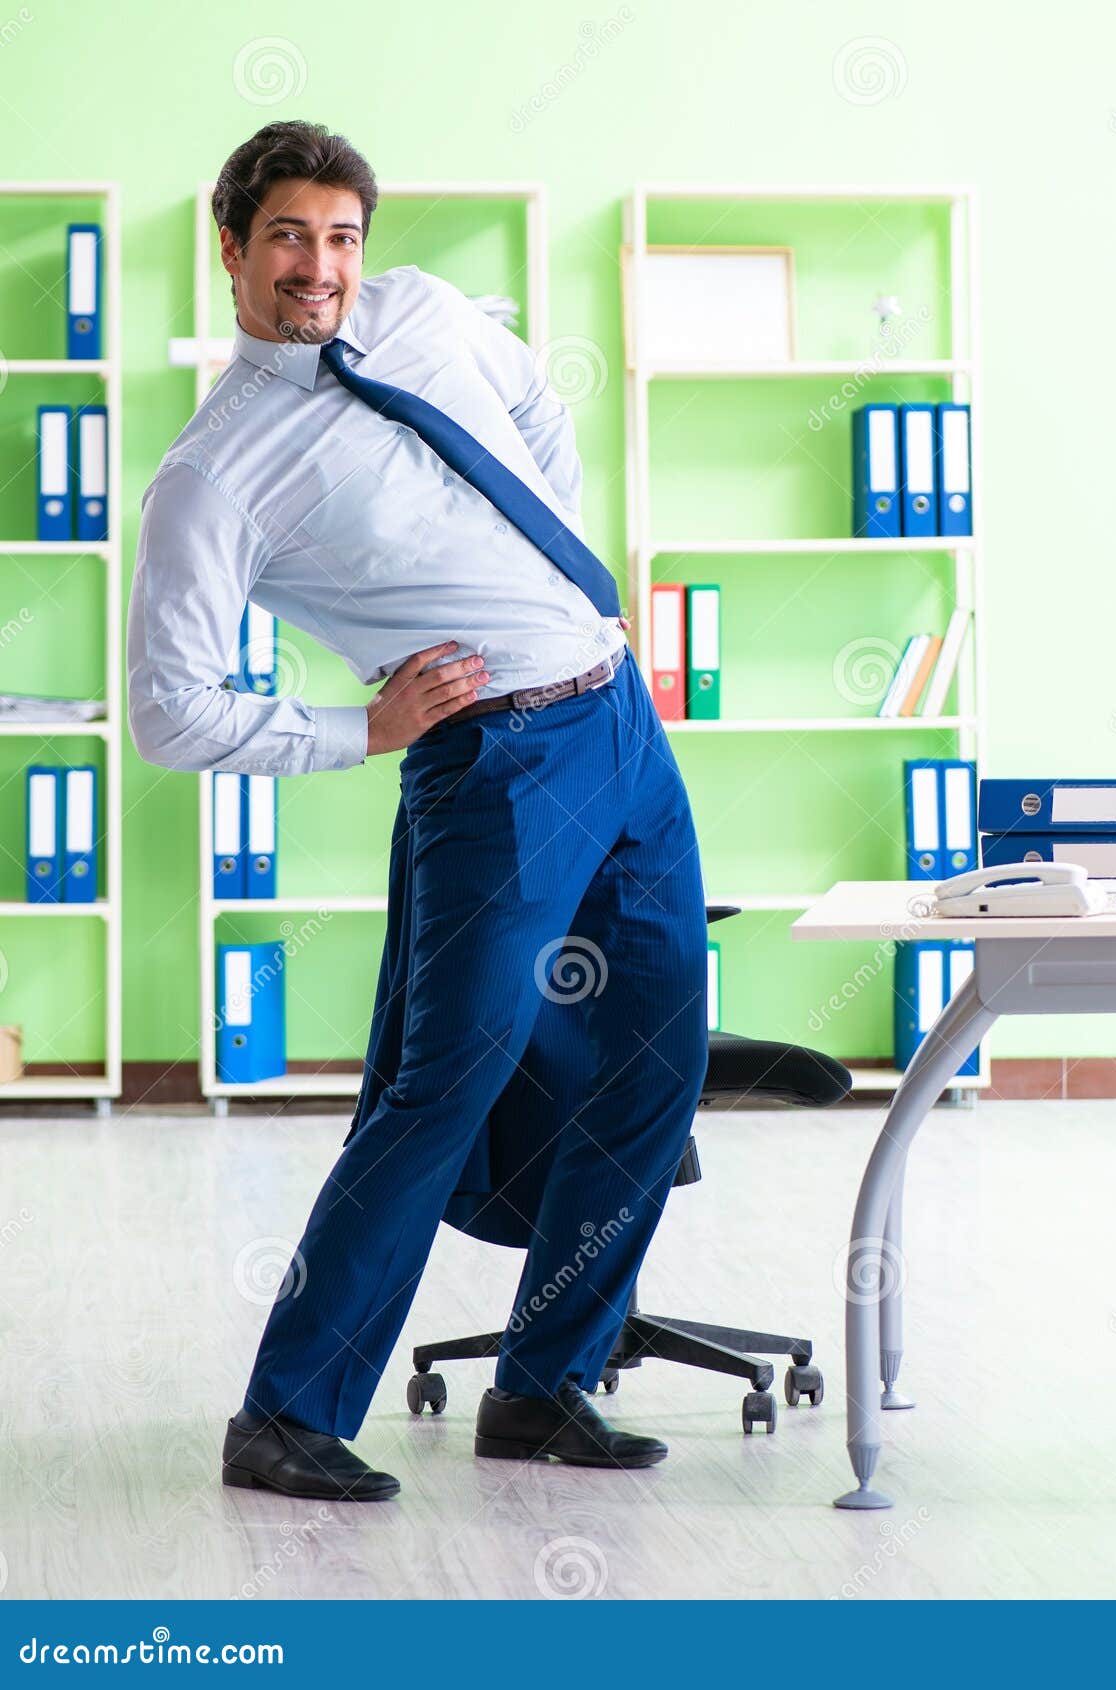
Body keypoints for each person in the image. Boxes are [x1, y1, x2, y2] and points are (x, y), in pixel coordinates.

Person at [126, 120, 709, 1501]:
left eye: (337, 237)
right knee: (438, 1088)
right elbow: (169, 707)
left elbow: (540, 419)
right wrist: (361, 728)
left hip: (618, 717)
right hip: (496, 768)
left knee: (656, 1052)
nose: (316, 267)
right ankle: (285, 1411)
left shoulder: (427, 315)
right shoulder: (215, 474)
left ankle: (544, 1381)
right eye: (285, 237)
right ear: (230, 248)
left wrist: (540, 594)